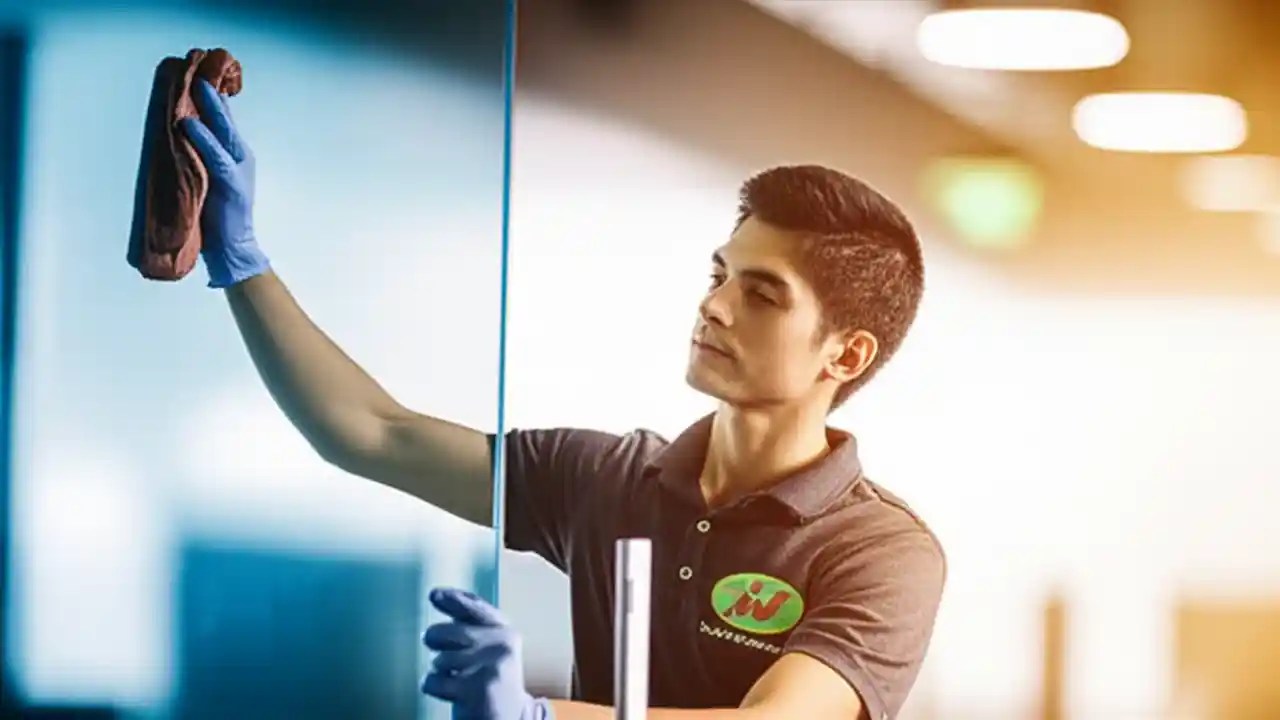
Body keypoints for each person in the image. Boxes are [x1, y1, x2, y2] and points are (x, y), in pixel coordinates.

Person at [170, 77, 945, 720]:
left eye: (764, 296)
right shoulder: (605, 478)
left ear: (845, 354)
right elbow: (369, 433)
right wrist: (241, 261)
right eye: (719, 276)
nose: (715, 307)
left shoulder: (881, 551)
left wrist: (537, 716)